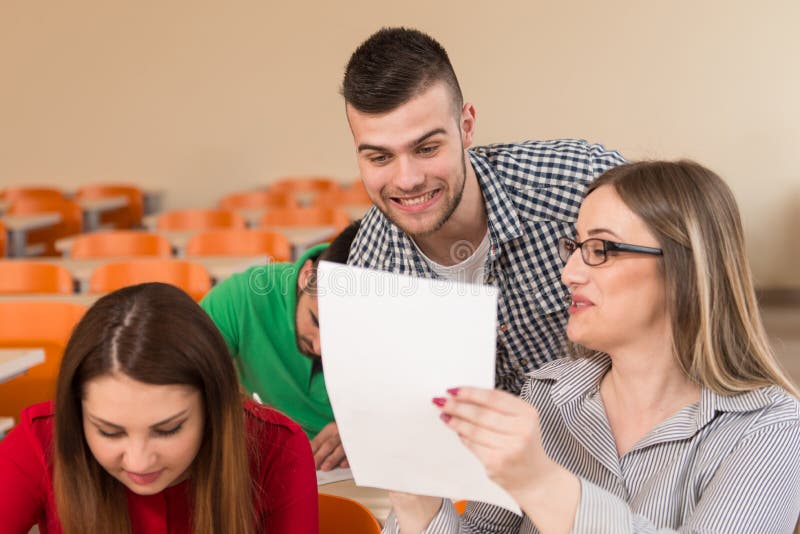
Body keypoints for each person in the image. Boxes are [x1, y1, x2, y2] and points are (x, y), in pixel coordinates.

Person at [385, 160, 800, 533]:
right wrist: (418, 505)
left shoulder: (769, 427)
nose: (568, 273)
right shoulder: (545, 395)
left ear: (683, 270)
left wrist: (541, 483)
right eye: (576, 246)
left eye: (600, 249)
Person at [342, 27, 625, 394]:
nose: (407, 180)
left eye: (427, 149)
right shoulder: (369, 275)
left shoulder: (579, 184)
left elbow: (689, 264)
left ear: (466, 126)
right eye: (380, 157)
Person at [0, 282, 317, 534]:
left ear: (213, 405)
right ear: (77, 410)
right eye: (108, 431)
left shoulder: (276, 447)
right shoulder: (38, 440)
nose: (139, 461)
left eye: (168, 429)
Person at [200, 221, 360, 471]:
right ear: (307, 275)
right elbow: (182, 378)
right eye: (315, 320)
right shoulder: (243, 298)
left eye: (342, 337)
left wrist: (366, 428)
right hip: (268, 465)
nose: (320, 348)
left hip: (362, 469)